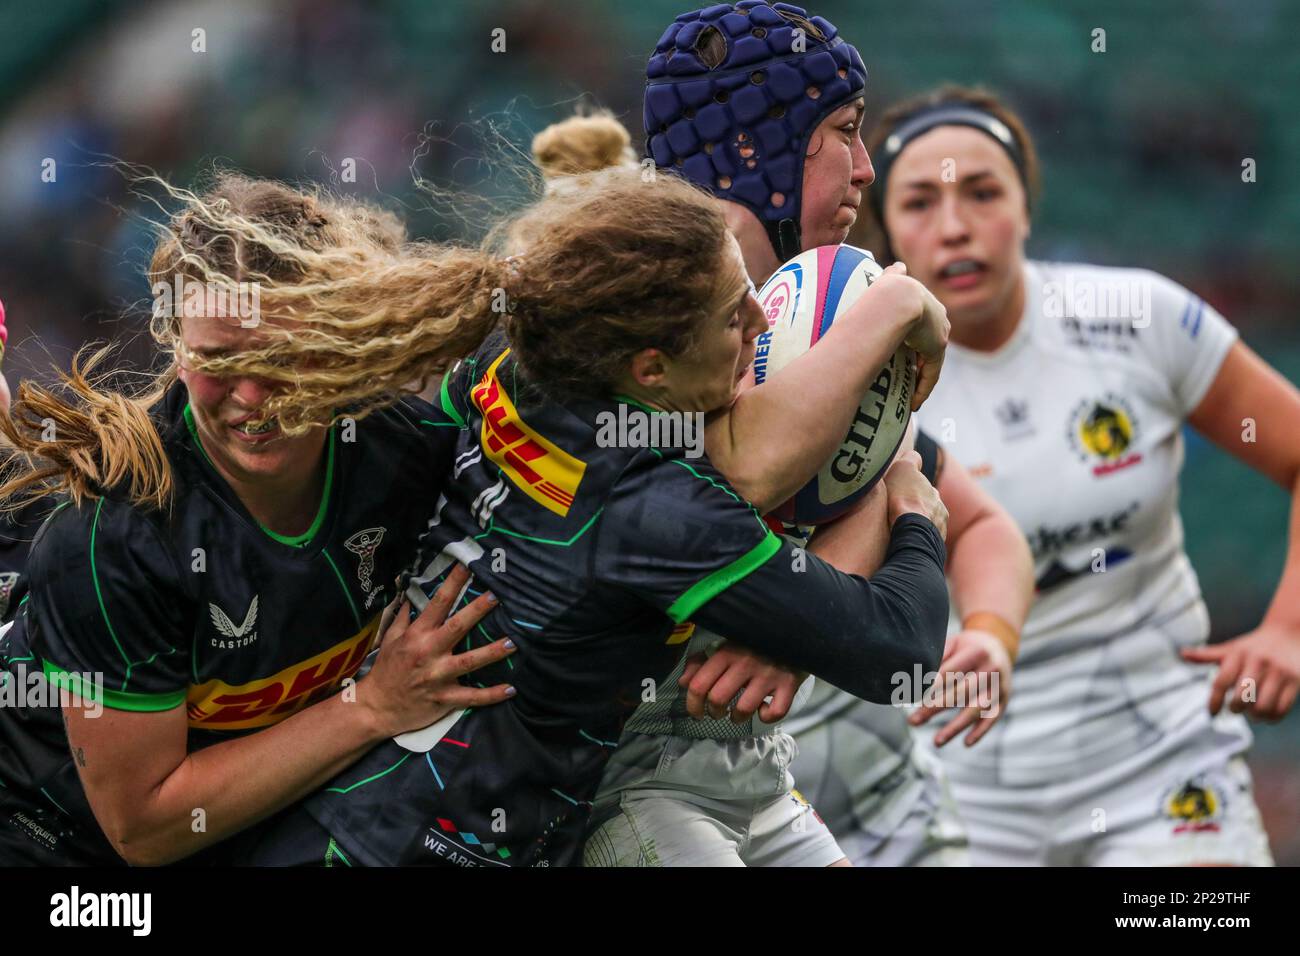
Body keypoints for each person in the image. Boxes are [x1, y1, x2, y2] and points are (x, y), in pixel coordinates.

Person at [218, 164, 952, 867]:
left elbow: (741, 450)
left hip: (350, 820)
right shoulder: (660, 513)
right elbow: (901, 651)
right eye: (735, 315)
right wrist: (915, 513)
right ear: (651, 369)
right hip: (415, 847)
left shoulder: (517, 361)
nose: (761, 323)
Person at [580, 1, 1034, 868]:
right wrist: (900, 303)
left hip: (758, 778)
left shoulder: (813, 326)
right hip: (625, 782)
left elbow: (952, 508)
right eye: (845, 133)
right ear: (753, 146)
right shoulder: (639, 318)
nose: (864, 169)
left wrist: (828, 604)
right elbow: (744, 470)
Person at [0, 174, 516, 865]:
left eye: (283, 358)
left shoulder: (403, 450)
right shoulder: (109, 543)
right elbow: (144, 826)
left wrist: (714, 626)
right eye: (219, 361)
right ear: (174, 342)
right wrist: (370, 707)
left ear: (339, 337)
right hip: (59, 848)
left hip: (260, 826)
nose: (252, 398)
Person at [866, 83, 1300, 865]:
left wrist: (1288, 630)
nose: (956, 226)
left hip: (1163, 769)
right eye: (921, 202)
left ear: (1027, 207)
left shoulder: (1139, 317)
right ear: (887, 228)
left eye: (984, 193)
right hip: (967, 787)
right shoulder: (865, 384)